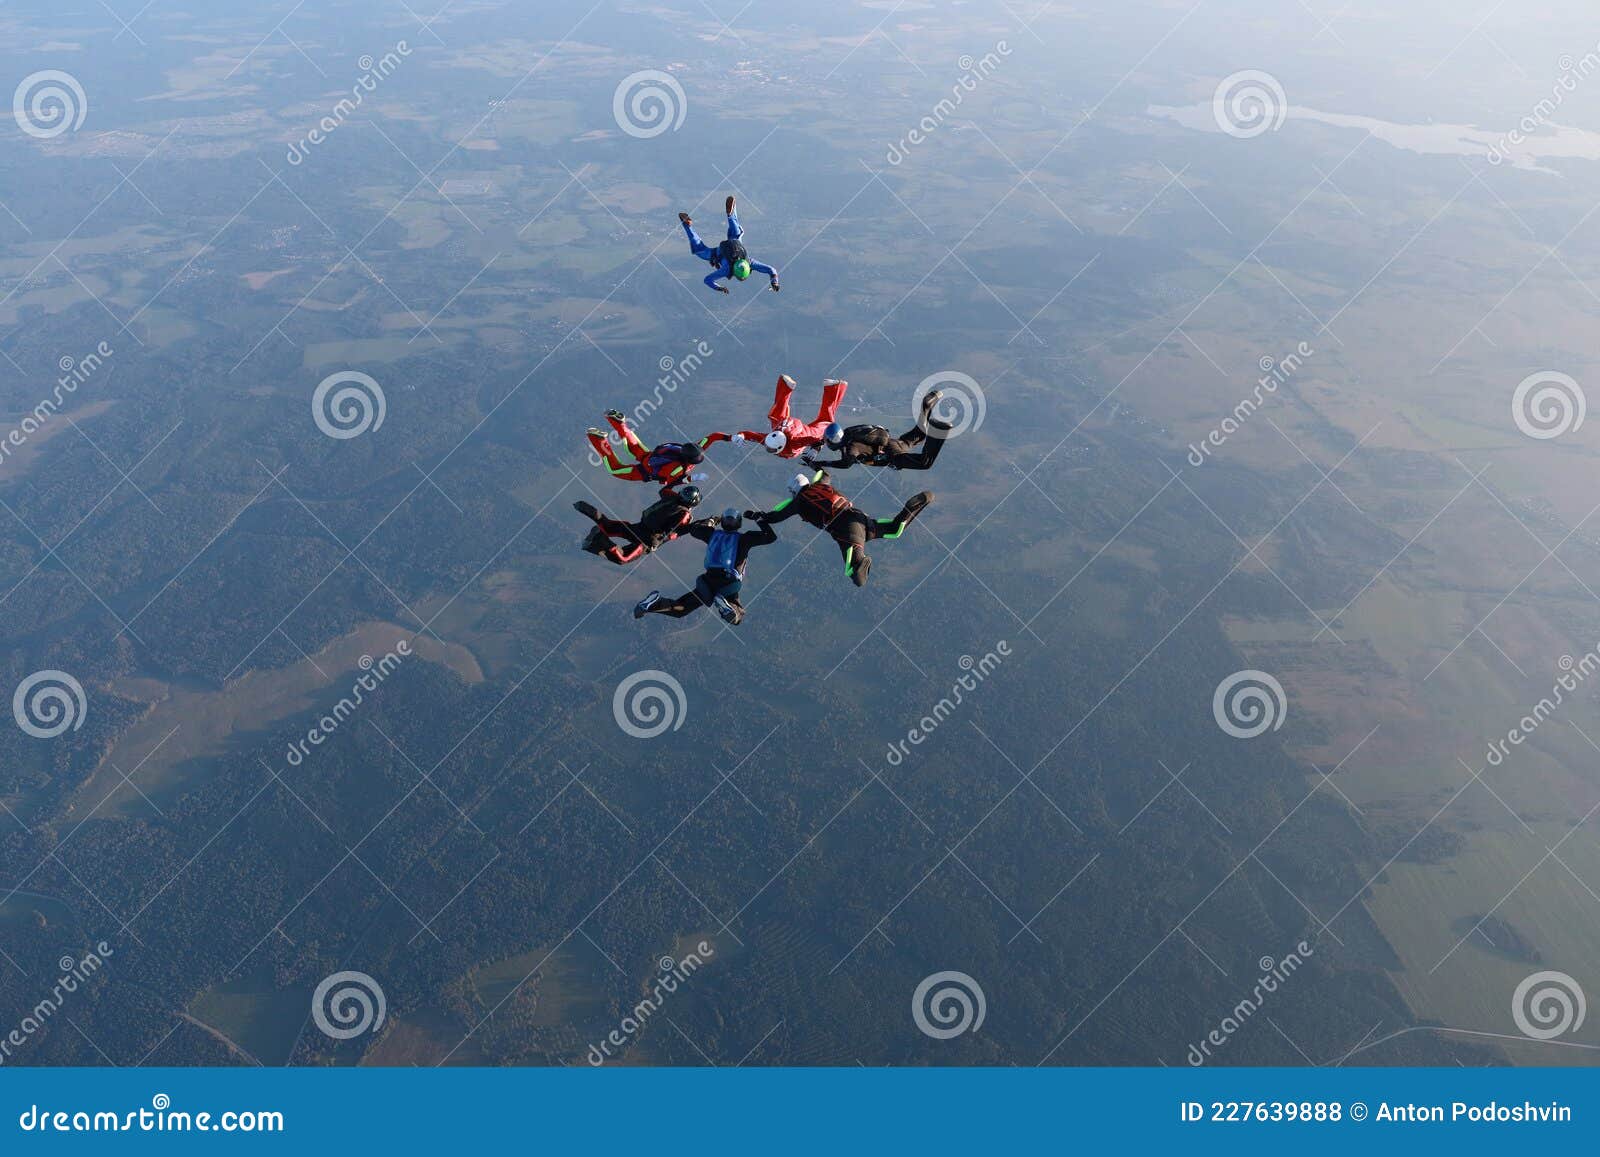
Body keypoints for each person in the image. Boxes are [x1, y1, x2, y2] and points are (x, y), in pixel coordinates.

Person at [752, 471, 932, 587]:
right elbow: (825, 475)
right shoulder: (821, 485)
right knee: (894, 530)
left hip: (846, 529)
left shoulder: (798, 502)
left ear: (793, 490)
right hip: (859, 517)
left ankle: (860, 560)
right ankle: (913, 506)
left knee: (857, 577)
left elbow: (776, 516)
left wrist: (757, 516)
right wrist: (814, 464)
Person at [634, 508, 778, 625]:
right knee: (737, 616)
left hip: (707, 580)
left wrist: (713, 520)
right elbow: (771, 537)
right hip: (729, 582)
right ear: (738, 523)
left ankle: (654, 603)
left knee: (681, 608)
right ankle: (727, 606)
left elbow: (695, 528)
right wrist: (757, 518)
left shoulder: (711, 535)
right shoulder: (745, 538)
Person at [802, 390, 954, 471]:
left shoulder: (850, 449)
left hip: (894, 455)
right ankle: (928, 402)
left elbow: (845, 464)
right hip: (895, 443)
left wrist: (820, 463)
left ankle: (940, 429)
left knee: (924, 463)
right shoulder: (849, 434)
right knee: (920, 434)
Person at [587, 409, 720, 486]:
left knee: (632, 444)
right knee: (614, 469)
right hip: (644, 471)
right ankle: (598, 439)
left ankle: (619, 423)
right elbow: (671, 481)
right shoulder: (679, 468)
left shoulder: (692, 448)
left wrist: (734, 437)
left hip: (650, 455)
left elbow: (713, 437)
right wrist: (693, 478)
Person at [574, 485, 701, 566]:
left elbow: (663, 490)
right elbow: (671, 532)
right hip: (647, 539)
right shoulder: (684, 514)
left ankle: (583, 507)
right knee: (623, 558)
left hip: (640, 526)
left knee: (610, 527)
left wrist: (678, 480)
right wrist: (656, 544)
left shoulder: (671, 496)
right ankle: (596, 540)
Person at [729, 374, 848, 459]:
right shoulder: (768, 439)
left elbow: (818, 439)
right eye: (769, 448)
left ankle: (834, 387)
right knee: (776, 416)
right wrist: (740, 435)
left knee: (826, 422)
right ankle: (786, 386)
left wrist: (815, 449)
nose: (769, 450)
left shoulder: (795, 443)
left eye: (771, 449)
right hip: (784, 424)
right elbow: (751, 435)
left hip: (799, 430)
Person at [679, 196, 779, 294]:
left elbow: (772, 270)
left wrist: (775, 282)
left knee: (736, 234)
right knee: (699, 250)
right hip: (717, 253)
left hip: (734, 243)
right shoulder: (726, 270)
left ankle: (731, 215)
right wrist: (719, 288)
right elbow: (707, 280)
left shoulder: (749, 262)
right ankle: (687, 226)